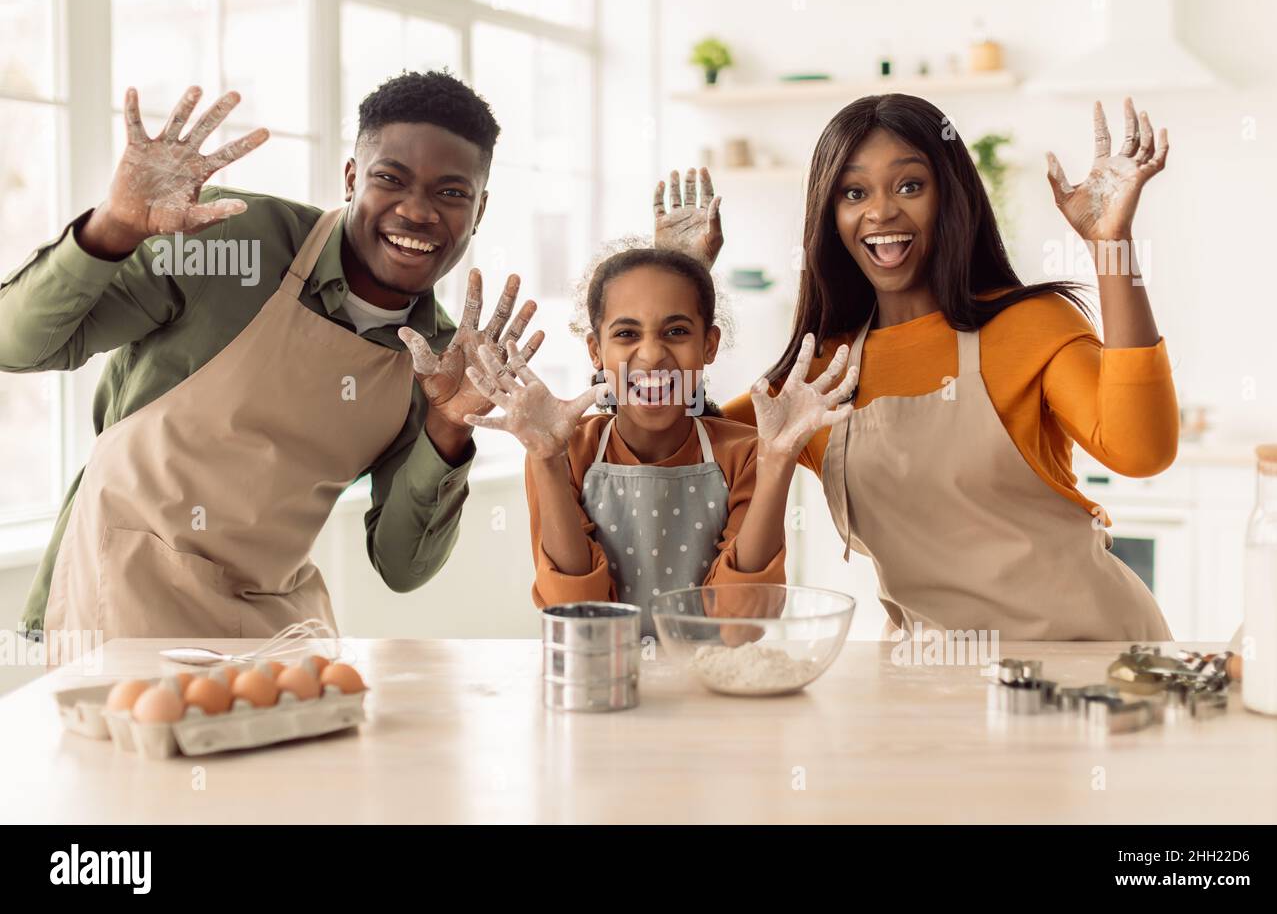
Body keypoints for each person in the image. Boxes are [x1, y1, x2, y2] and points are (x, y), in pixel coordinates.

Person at [0, 70, 540, 653]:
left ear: (479, 210)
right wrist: (116, 226)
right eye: (391, 179)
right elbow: (17, 345)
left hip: (273, 619)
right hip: (122, 594)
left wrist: (448, 427)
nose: (418, 212)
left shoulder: (438, 366)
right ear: (352, 178)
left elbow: (402, 569)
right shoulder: (234, 241)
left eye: (451, 193)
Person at [718, 94, 1177, 640]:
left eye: (910, 185)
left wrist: (1111, 246)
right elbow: (681, 446)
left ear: (951, 196)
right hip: (939, 680)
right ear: (829, 216)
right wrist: (681, 273)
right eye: (854, 192)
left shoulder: (1030, 325)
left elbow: (1141, 451)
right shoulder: (819, 376)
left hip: (1089, 660)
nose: (882, 211)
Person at [457, 235, 854, 638]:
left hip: (712, 686)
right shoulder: (565, 448)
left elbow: (739, 625)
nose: (651, 355)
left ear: (709, 345)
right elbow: (578, 618)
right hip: (603, 681)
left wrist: (778, 465)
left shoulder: (747, 454)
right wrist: (545, 459)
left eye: (676, 331)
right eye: (627, 334)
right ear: (596, 351)